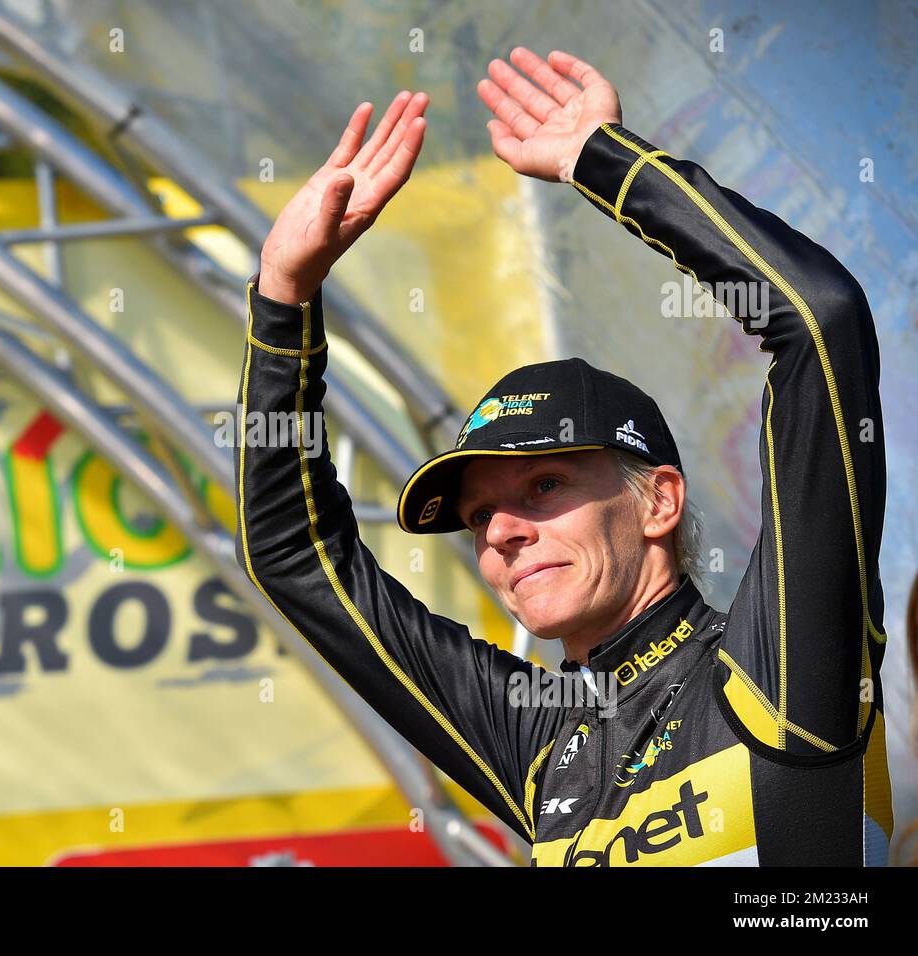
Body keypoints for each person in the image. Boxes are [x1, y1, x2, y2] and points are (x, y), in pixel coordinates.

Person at [236, 47, 892, 866]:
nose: (502, 531)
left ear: (659, 500)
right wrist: (282, 297)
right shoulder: (543, 741)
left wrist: (608, 161)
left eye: (543, 484)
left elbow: (816, 322)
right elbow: (293, 556)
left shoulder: (776, 662)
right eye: (478, 516)